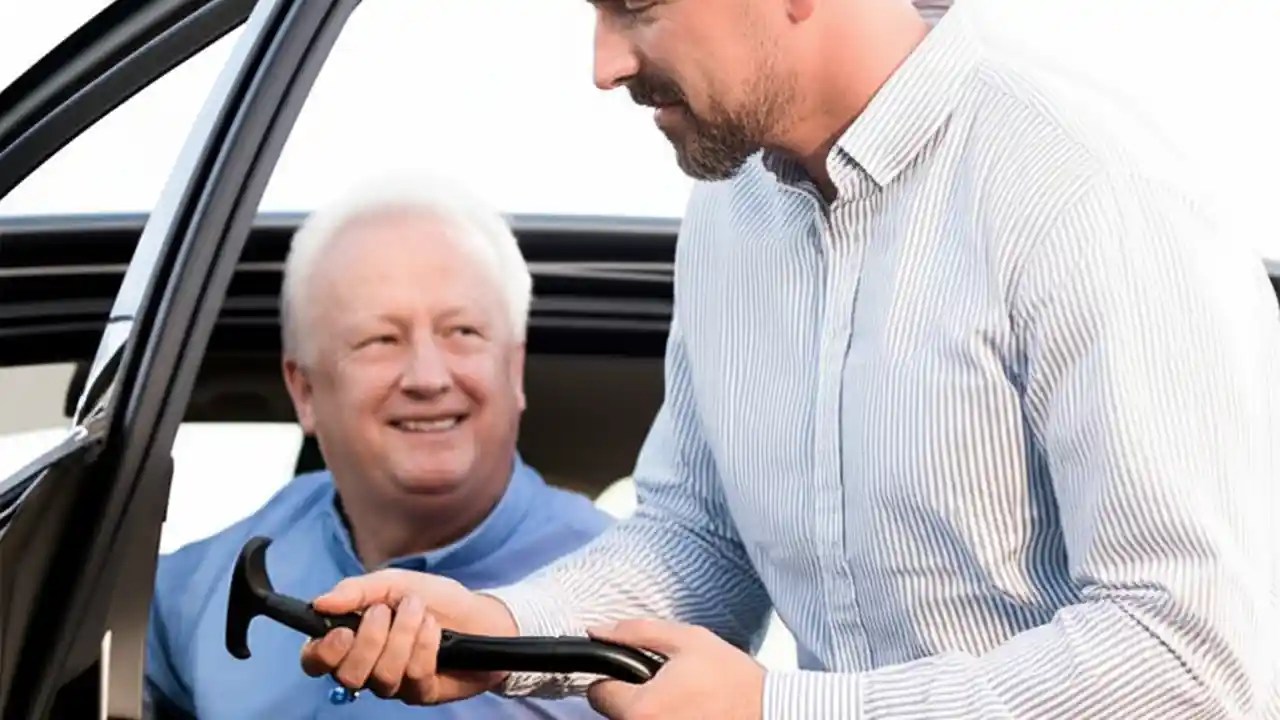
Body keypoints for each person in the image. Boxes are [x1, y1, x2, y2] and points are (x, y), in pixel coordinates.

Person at [298, 0, 1280, 718]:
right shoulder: (732, 209)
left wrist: (780, 711)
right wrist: (499, 633)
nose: (601, 64)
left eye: (635, 5)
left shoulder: (1084, 192)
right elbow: (705, 540)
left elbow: (1188, 658)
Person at [144, 175, 613, 719]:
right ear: (305, 392)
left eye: (462, 332)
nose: (428, 377)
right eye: (380, 340)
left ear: (514, 368)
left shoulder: (622, 606)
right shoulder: (223, 573)